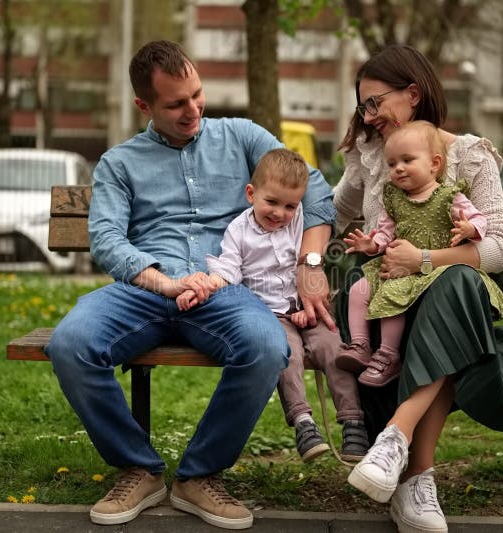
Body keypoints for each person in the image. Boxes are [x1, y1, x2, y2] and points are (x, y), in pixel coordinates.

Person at [45, 40, 336, 530]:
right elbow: (107, 239)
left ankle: (199, 475)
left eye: (197, 95)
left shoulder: (241, 136)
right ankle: (138, 468)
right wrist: (165, 283)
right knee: (71, 343)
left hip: (225, 285)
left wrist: (310, 263)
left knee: (267, 344)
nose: (193, 110)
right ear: (144, 105)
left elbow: (318, 190)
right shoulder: (120, 162)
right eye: (176, 103)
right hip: (146, 289)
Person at [330, 44, 503, 533]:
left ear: (413, 93)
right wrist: (310, 261)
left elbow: (502, 247)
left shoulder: (468, 155)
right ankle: (414, 480)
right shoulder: (374, 158)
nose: (368, 116)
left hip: (449, 303)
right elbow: (332, 211)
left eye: (375, 103)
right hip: (386, 307)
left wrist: (426, 258)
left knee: (451, 291)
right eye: (362, 106)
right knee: (434, 315)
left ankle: (398, 447)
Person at [178, 148, 370, 464]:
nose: (280, 213)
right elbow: (228, 269)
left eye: (290, 206)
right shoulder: (239, 230)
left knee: (333, 348)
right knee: (287, 354)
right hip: (272, 313)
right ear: (251, 194)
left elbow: (317, 257)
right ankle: (304, 424)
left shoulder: (302, 223)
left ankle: (353, 421)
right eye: (272, 202)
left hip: (308, 308)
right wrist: (204, 288)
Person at [338, 121, 503, 390]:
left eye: (407, 160)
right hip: (397, 265)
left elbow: (481, 221)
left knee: (393, 293)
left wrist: (469, 228)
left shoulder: (448, 196)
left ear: (434, 164)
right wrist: (371, 245)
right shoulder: (394, 200)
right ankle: (360, 345)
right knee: (359, 289)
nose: (398, 168)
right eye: (392, 163)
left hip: (428, 270)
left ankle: (388, 356)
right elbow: (386, 234)